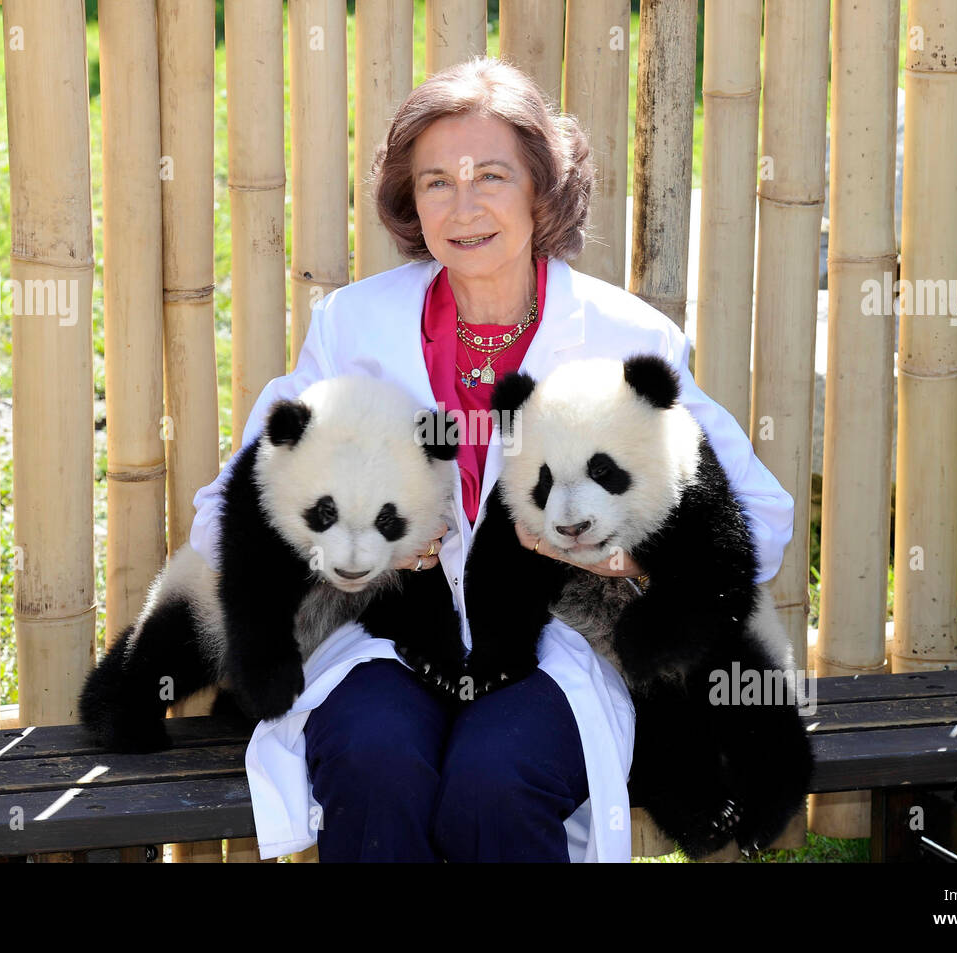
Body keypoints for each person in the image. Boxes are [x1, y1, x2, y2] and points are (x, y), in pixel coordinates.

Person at [189, 56, 794, 862]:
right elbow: (224, 517)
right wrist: (357, 546)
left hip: (558, 641)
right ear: (410, 199)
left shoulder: (627, 338)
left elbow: (761, 517)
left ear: (544, 190)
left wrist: (618, 558)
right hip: (386, 635)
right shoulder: (354, 329)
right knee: (375, 761)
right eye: (436, 180)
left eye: (493, 177)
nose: (464, 207)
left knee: (496, 781)